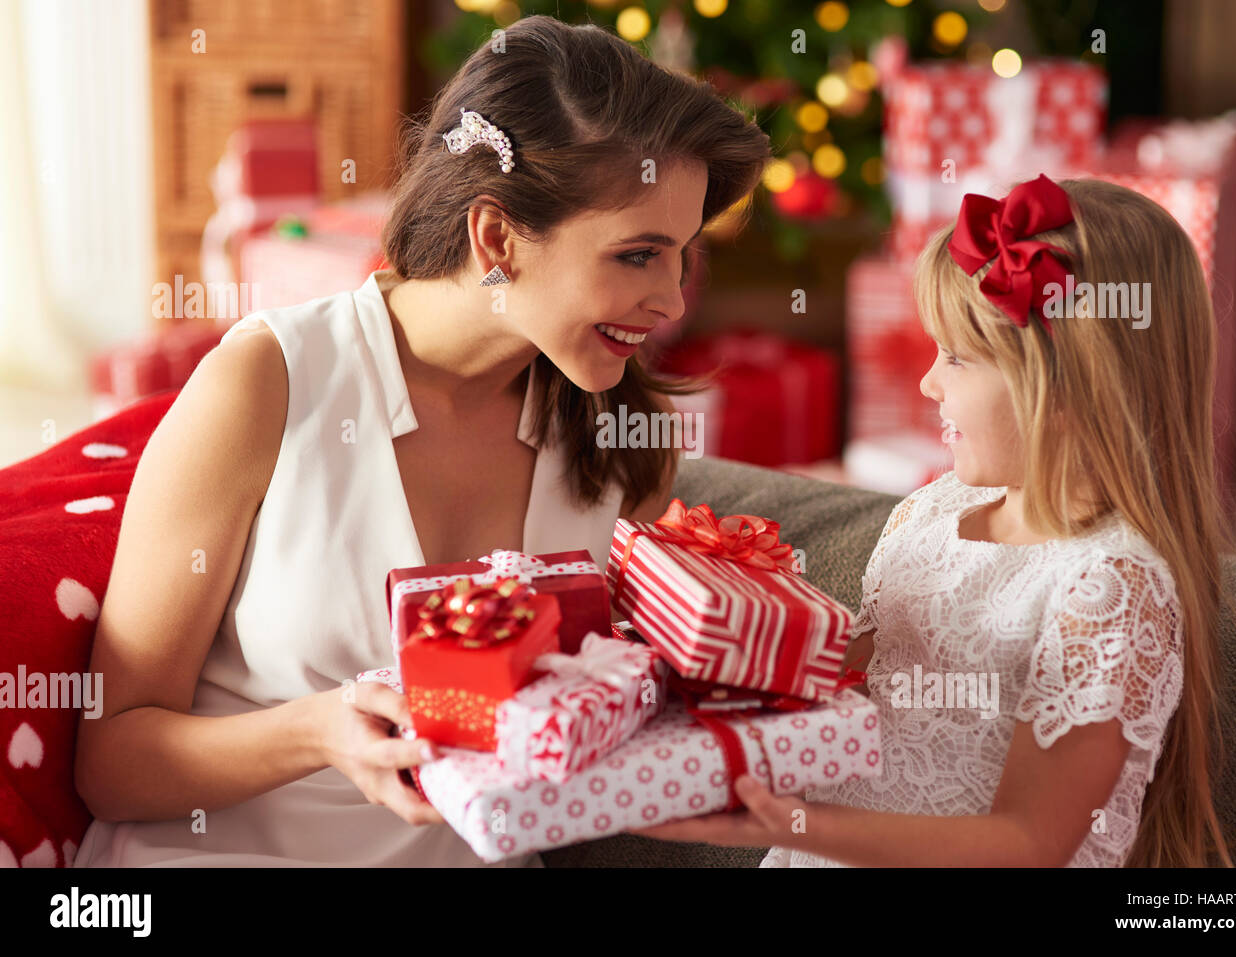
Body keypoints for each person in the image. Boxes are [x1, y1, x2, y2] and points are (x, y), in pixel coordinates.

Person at [72, 14, 769, 867]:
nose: (671, 300)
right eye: (638, 255)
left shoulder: (623, 439)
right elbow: (110, 762)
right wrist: (319, 730)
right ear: (497, 237)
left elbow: (641, 704)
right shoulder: (267, 381)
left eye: (683, 257)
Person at [638, 175, 1236, 867]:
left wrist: (794, 823)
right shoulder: (933, 509)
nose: (927, 383)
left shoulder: (1109, 586)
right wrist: (724, 628)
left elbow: (1028, 843)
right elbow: (851, 678)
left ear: (1070, 382)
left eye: (954, 357)